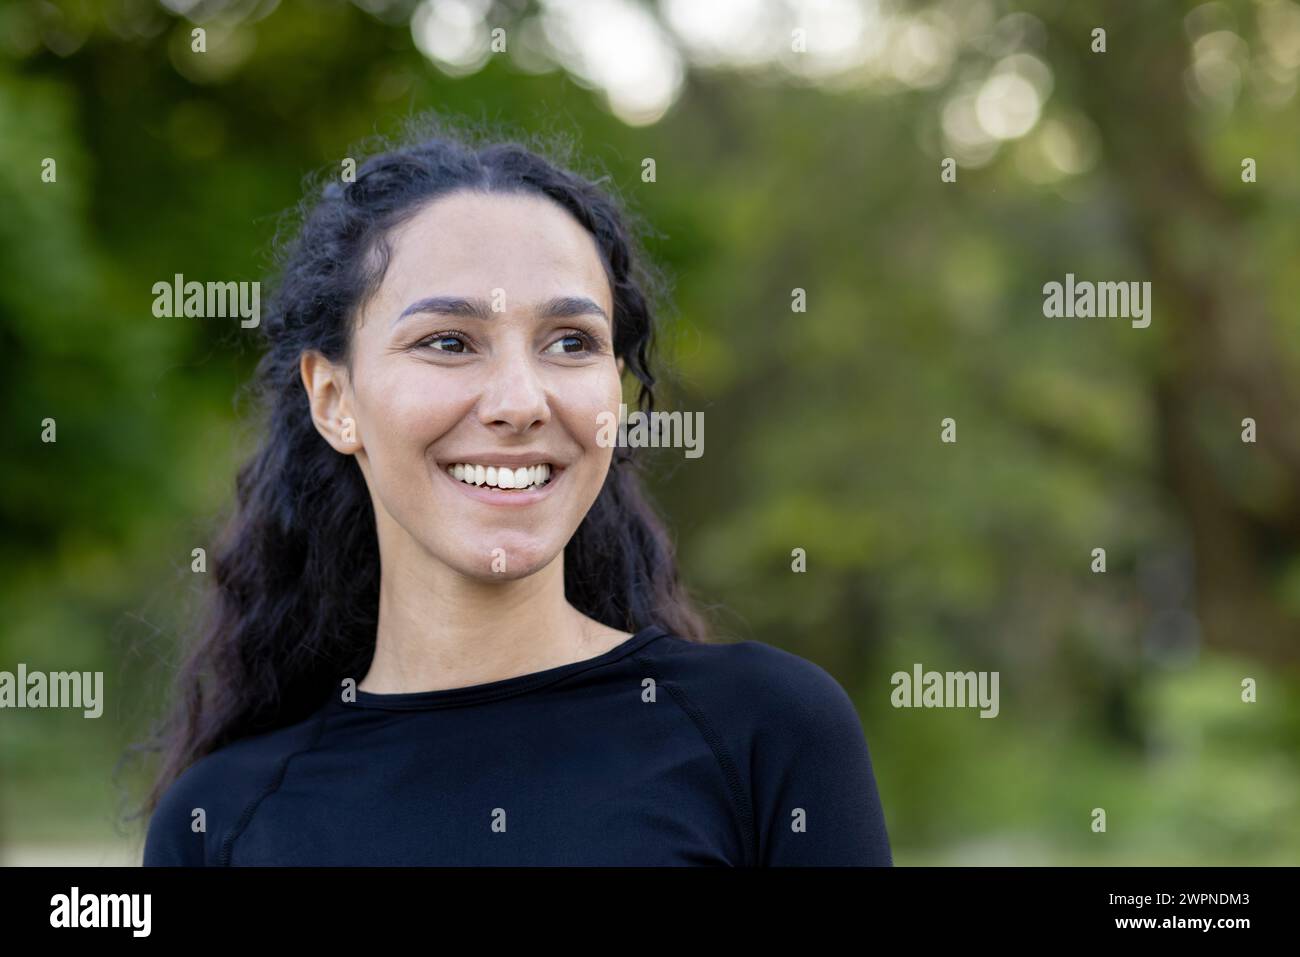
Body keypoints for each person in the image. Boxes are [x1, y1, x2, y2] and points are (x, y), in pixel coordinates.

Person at [139, 118, 892, 866]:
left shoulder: (767, 732)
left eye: (571, 342)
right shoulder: (222, 821)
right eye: (449, 342)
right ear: (335, 399)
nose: (520, 400)